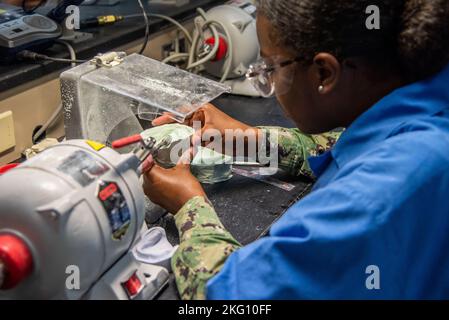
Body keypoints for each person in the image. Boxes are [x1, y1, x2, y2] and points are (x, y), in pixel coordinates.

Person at [143, 0, 449, 299]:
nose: (268, 79)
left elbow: (229, 295)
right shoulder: (426, 101)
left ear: (324, 74)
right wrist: (246, 139)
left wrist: (189, 205)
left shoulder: (370, 199)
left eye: (270, 67)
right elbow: (346, 144)